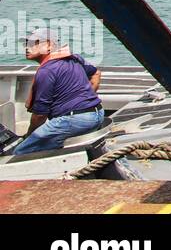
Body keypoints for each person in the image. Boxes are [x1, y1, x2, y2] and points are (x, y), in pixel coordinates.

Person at [10, 27, 104, 156]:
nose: (27, 47)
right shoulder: (75, 58)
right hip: (98, 114)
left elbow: (40, 115)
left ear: (49, 45)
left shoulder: (46, 71)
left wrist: (29, 136)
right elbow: (96, 74)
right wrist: (86, 100)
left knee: (19, 152)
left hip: (74, 120)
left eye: (34, 43)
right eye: (26, 43)